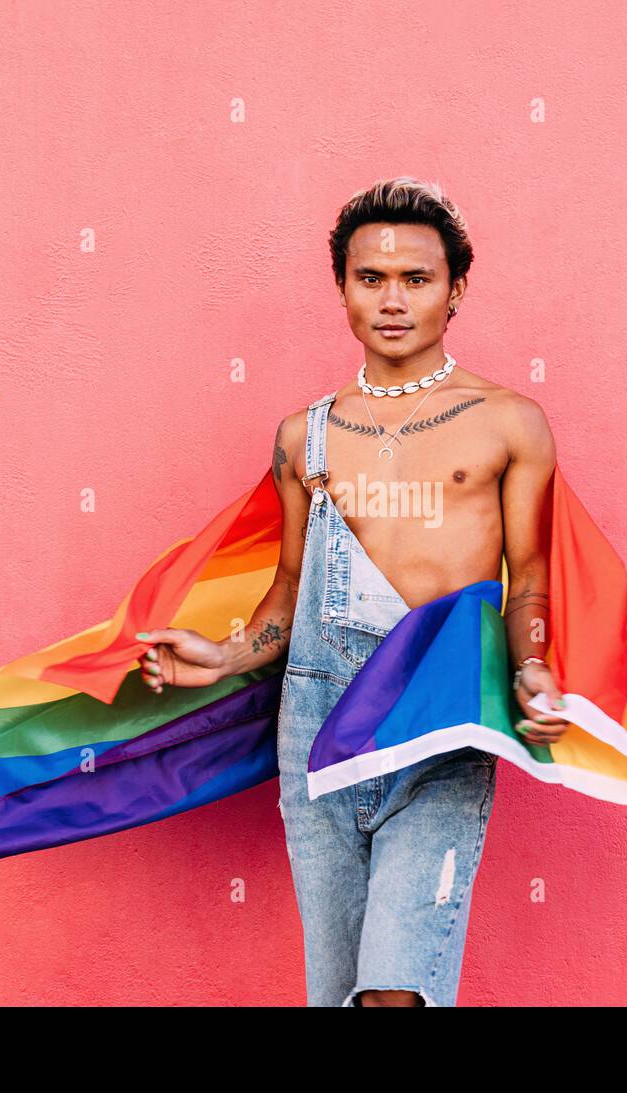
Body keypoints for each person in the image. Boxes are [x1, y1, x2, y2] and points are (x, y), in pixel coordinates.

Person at [136, 177, 572, 1006]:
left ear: (457, 290)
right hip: (317, 722)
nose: (394, 299)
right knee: (337, 992)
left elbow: (531, 586)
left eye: (418, 279)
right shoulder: (306, 437)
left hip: (441, 729)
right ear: (342, 288)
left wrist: (535, 669)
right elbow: (292, 592)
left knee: (393, 995)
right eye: (371, 279)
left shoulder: (510, 423)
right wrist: (224, 656)